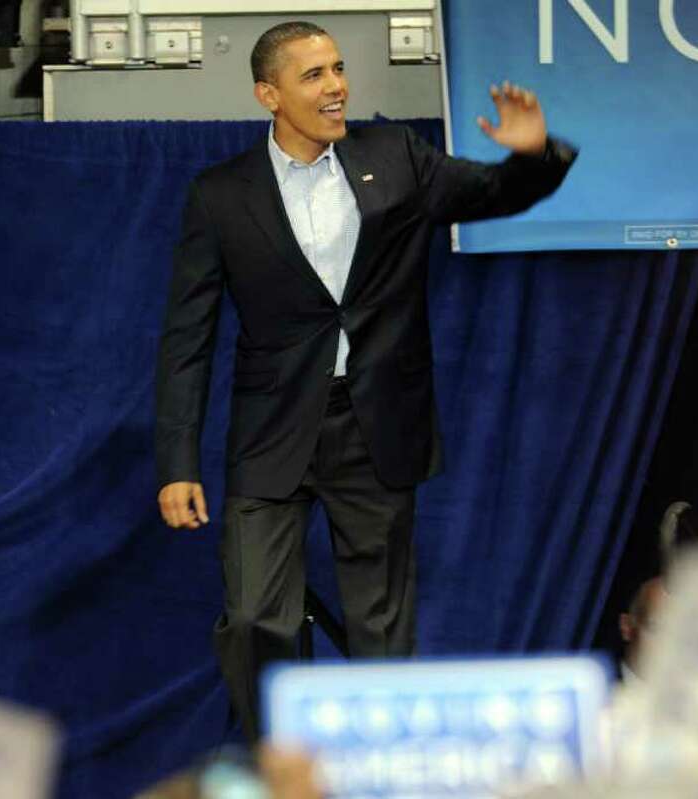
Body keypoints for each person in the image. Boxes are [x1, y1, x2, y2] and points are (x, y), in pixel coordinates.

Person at [155, 20, 576, 740]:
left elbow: (496, 192)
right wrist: (177, 464)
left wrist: (534, 153)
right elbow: (186, 338)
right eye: (314, 75)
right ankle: (278, 761)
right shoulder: (221, 194)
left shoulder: (395, 155)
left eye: (339, 69)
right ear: (269, 94)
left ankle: (383, 766)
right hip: (272, 430)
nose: (337, 86)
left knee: (381, 623)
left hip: (375, 421)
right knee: (258, 615)